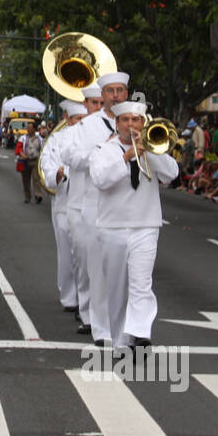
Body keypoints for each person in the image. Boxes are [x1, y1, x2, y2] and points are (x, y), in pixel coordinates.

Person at [89, 100, 179, 347]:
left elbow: (172, 174)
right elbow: (100, 179)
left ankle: (141, 333)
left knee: (141, 283)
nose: (131, 124)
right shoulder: (103, 150)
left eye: (136, 120)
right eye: (125, 120)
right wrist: (128, 156)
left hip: (146, 225)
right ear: (117, 124)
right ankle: (121, 341)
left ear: (143, 123)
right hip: (113, 227)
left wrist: (149, 151)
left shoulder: (152, 149)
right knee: (117, 289)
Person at [62, 72, 131, 347]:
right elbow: (70, 156)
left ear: (127, 93)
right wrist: (101, 155)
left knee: (127, 274)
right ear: (102, 96)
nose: (115, 95)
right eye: (110, 91)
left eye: (120, 90)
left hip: (128, 207)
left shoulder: (137, 122)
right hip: (94, 204)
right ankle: (101, 329)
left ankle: (127, 329)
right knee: (98, 270)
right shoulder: (86, 126)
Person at [41, 100, 87, 317]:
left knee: (85, 252)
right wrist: (57, 174)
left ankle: (87, 297)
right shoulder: (57, 140)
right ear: (68, 119)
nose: (81, 122)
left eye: (84, 118)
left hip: (88, 203)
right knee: (67, 252)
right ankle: (70, 296)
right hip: (64, 201)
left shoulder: (94, 136)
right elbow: (47, 167)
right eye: (77, 118)